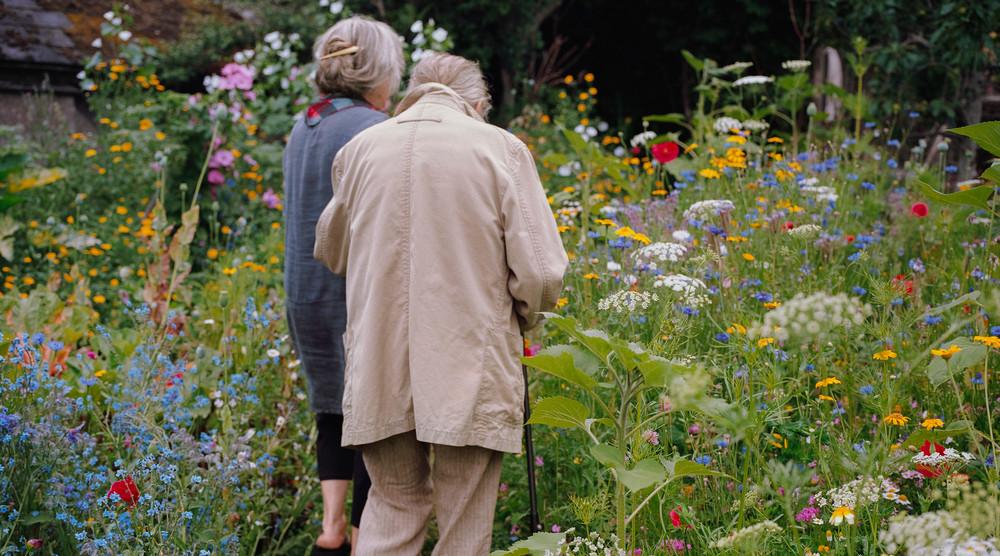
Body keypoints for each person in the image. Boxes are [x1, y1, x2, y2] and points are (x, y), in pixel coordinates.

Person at [314, 52, 568, 555]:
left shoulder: (361, 150)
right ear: (478, 103)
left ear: (414, 90)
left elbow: (331, 249)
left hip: (380, 360)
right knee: (465, 515)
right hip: (469, 357)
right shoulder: (500, 149)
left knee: (392, 502)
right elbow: (540, 272)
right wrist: (523, 316)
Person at [282, 16, 403, 556]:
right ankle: (362, 538)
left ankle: (331, 531)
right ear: (379, 70)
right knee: (372, 416)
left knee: (331, 409)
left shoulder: (304, 124)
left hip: (304, 293)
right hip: (349, 293)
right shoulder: (369, 129)